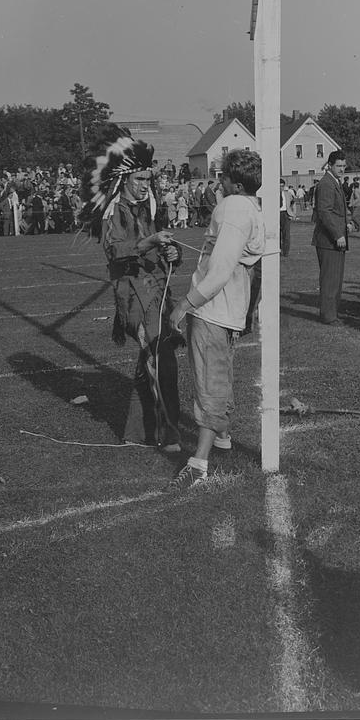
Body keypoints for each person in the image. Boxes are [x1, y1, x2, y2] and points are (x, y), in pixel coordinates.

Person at [80, 130, 183, 452]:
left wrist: (173, 255)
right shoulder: (115, 212)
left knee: (154, 357)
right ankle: (168, 433)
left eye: (148, 179)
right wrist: (148, 243)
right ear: (124, 179)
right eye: (139, 179)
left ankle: (139, 432)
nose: (145, 184)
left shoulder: (148, 209)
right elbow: (115, 251)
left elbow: (162, 254)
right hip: (133, 297)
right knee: (160, 358)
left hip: (157, 293)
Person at [168, 149, 265, 490]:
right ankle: (222, 435)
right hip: (228, 308)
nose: (217, 182)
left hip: (214, 308)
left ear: (236, 183)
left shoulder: (235, 207)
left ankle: (199, 463)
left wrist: (185, 304)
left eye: (222, 177)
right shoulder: (249, 206)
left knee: (209, 382)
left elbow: (220, 270)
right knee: (219, 374)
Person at [311, 151, 349, 325]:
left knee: (335, 279)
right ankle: (328, 316)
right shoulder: (327, 183)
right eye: (338, 166)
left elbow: (335, 211)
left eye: (343, 166)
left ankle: (332, 313)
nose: (342, 169)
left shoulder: (334, 182)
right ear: (330, 165)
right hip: (329, 241)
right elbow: (324, 212)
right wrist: (338, 234)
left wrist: (346, 225)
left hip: (335, 239)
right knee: (330, 279)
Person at [279, 178, 296, 257]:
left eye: (282, 186)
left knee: (286, 235)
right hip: (276, 215)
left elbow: (293, 203)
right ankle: (278, 251)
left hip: (285, 214)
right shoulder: (273, 194)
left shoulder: (288, 194)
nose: (280, 188)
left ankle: (285, 253)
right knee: (277, 235)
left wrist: (293, 213)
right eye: (279, 186)